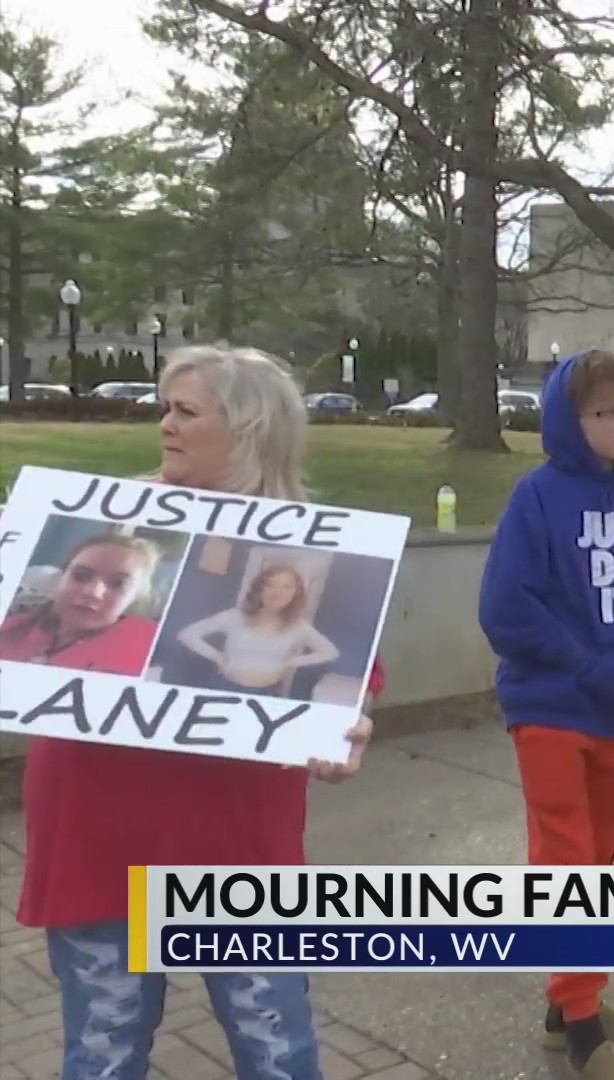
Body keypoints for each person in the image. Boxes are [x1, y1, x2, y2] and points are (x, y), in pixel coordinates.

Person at [17, 344, 377, 1080]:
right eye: (165, 408)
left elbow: (351, 668)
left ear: (246, 429)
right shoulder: (112, 521)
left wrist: (347, 724)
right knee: (103, 1053)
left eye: (185, 411)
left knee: (278, 1052)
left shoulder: (322, 545)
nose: (164, 425)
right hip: (102, 834)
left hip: (236, 844)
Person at [477, 350, 614, 1080]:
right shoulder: (536, 497)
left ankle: (571, 1003)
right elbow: (504, 607)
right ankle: (585, 1031)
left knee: (598, 858)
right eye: (605, 412)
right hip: (550, 704)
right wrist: (584, 662)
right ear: (570, 418)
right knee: (566, 864)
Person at [0, 531, 164, 675]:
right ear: (61, 578)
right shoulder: (9, 627)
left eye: (118, 583)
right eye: (80, 576)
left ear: (135, 596)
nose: (93, 593)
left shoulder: (153, 650)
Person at [174, 563, 342, 695]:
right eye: (270, 585)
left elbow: (330, 652)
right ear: (259, 590)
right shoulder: (234, 616)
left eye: (287, 587)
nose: (278, 592)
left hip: (269, 692)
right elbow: (187, 634)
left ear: (295, 593)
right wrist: (217, 657)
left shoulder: (299, 626)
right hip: (225, 687)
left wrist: (291, 662)